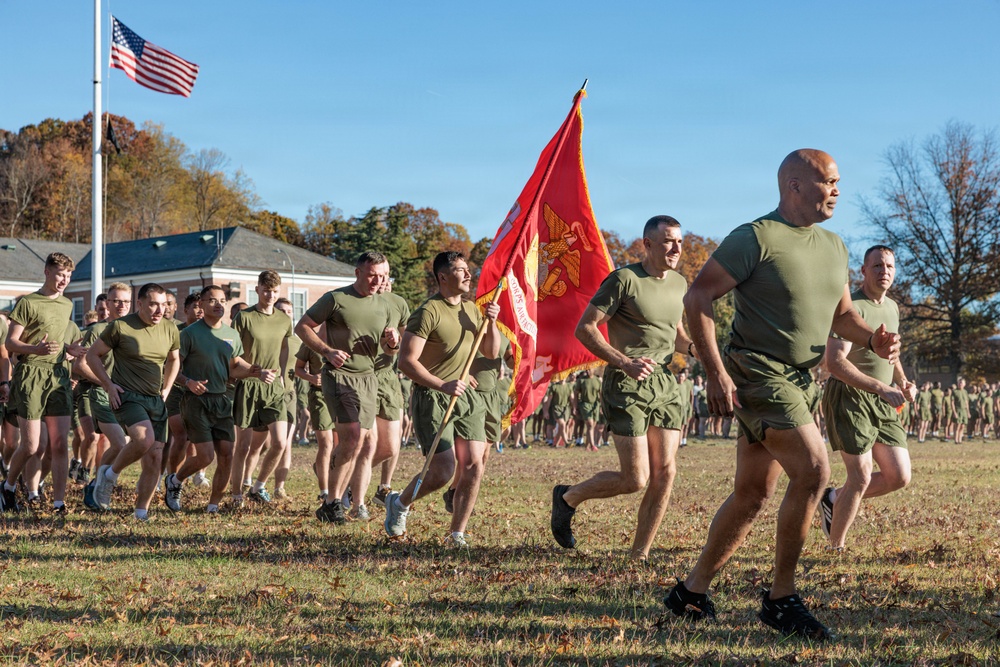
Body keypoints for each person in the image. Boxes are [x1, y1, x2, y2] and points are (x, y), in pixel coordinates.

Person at [666, 149, 899, 640]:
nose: (837, 189)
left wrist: (871, 338)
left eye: (839, 182)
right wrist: (715, 373)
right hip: (757, 373)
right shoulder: (756, 237)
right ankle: (781, 598)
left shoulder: (835, 245)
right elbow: (698, 296)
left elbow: (840, 317)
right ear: (795, 185)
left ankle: (691, 592)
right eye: (829, 181)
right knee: (815, 470)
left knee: (753, 493)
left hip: (799, 381)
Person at [551, 215, 692, 560]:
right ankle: (568, 497)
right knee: (635, 479)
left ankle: (639, 554)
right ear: (647, 244)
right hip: (626, 380)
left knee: (666, 471)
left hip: (664, 382)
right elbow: (586, 329)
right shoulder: (624, 280)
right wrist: (624, 362)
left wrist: (696, 349)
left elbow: (675, 330)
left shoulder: (679, 283)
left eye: (679, 242)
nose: (676, 248)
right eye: (668, 241)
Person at [383, 251, 501, 546]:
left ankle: (456, 534)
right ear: (443, 277)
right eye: (461, 270)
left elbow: (491, 352)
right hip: (433, 396)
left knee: (474, 465)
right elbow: (407, 362)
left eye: (468, 269)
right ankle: (399, 503)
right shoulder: (427, 312)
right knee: (442, 471)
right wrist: (442, 384)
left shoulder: (472, 310)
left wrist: (492, 322)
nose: (468, 275)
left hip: (467, 397)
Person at [818, 245, 916, 550]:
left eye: (889, 266)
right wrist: (879, 387)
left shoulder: (893, 308)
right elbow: (834, 363)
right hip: (850, 397)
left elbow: (891, 353)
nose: (883, 271)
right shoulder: (852, 308)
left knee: (899, 476)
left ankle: (833, 498)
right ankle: (837, 548)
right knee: (859, 476)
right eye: (876, 266)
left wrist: (903, 381)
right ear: (863, 271)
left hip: (883, 399)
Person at [295, 251, 398, 524]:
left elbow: (387, 352)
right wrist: (327, 351)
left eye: (383, 275)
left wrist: (392, 342)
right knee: (351, 437)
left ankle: (333, 500)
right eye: (373, 274)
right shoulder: (336, 298)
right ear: (358, 273)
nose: (378, 280)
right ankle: (331, 502)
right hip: (339, 376)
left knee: (360, 443)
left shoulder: (385, 305)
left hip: (369, 379)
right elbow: (302, 327)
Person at [163, 286, 266, 513]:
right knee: (206, 456)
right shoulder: (188, 334)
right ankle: (175, 480)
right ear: (201, 304)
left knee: (227, 454)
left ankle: (213, 506)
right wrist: (187, 381)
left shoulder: (231, 334)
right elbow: (171, 367)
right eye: (212, 300)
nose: (219, 304)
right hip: (195, 401)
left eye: (222, 300)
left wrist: (256, 371)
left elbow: (235, 367)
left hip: (223, 401)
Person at [88, 283, 181, 520]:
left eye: (163, 305)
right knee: (143, 439)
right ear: (139, 304)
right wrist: (108, 385)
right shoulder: (120, 326)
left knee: (155, 457)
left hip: (156, 399)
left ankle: (140, 513)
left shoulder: (170, 328)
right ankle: (109, 475)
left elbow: (173, 360)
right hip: (128, 396)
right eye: (153, 304)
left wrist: (167, 388)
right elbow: (92, 355)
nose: (159, 310)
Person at [2, 253, 85, 513]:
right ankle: (8, 487)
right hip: (31, 374)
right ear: (47, 272)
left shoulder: (67, 305)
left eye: (69, 276)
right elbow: (11, 343)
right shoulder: (28, 302)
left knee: (60, 443)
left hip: (58, 375)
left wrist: (70, 350)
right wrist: (35, 349)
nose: (64, 280)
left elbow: (59, 341)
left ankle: (59, 502)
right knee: (31, 445)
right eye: (60, 274)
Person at [229, 271, 292, 505]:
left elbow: (284, 348)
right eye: (266, 290)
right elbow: (233, 355)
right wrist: (255, 370)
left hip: (274, 387)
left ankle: (258, 487)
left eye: (275, 291)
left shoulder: (284, 320)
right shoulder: (244, 318)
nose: (271, 295)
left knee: (280, 443)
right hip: (248, 385)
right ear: (257, 290)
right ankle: (236, 495)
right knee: (243, 447)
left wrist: (283, 375)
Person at [75, 283, 134, 511]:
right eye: (116, 301)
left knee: (132, 444)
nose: (121, 306)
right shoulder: (96, 331)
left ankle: (97, 482)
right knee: (119, 442)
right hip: (100, 393)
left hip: (127, 394)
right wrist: (106, 384)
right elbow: (80, 364)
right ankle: (99, 483)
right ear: (107, 304)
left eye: (126, 302)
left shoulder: (133, 329)